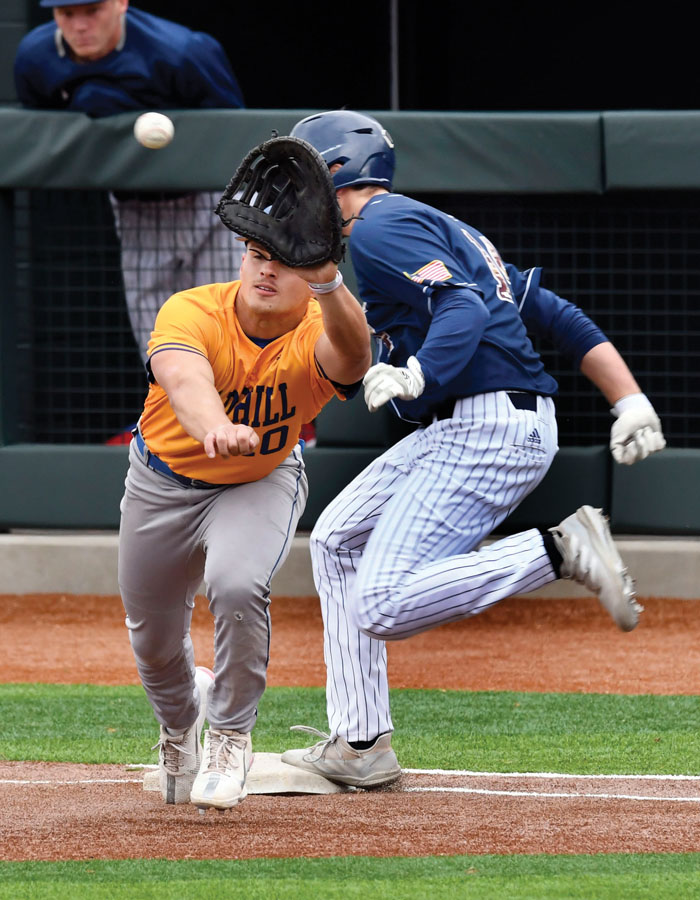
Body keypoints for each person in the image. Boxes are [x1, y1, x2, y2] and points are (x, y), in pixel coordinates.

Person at [279, 110, 667, 789]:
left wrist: (421, 371)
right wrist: (629, 399)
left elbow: (459, 304)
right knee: (337, 537)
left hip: (486, 426)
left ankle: (559, 549)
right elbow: (551, 312)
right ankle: (361, 743)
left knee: (382, 602)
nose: (296, 191)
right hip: (476, 424)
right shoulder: (437, 226)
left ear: (335, 171)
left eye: (305, 171)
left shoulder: (377, 226)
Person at [116, 216, 372, 812]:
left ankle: (230, 735)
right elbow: (183, 381)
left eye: (284, 260)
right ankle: (181, 725)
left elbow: (355, 361)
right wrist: (216, 428)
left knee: (236, 584)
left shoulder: (319, 324)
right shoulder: (192, 310)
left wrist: (330, 283)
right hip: (161, 482)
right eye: (257, 253)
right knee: (152, 641)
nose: (266, 268)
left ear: (311, 273)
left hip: (261, 480)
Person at [14, 0, 246, 362]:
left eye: (92, 11)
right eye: (66, 14)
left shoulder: (182, 51)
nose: (79, 26)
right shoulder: (36, 57)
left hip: (211, 206)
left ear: (120, 3)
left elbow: (232, 132)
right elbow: (41, 129)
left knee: (232, 320)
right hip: (135, 208)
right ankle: (167, 417)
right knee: (159, 333)